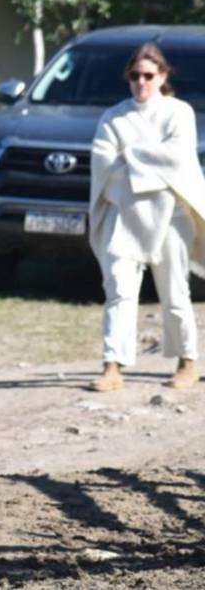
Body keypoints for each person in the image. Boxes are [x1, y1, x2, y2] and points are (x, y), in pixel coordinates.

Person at [88, 42, 205, 393]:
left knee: (174, 290)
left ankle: (187, 360)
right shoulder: (113, 117)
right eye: (135, 76)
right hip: (123, 215)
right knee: (119, 291)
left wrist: (131, 155)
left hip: (170, 214)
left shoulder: (178, 113)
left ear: (163, 76)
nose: (142, 82)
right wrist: (148, 167)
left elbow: (178, 159)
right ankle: (113, 365)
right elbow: (104, 165)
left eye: (149, 75)